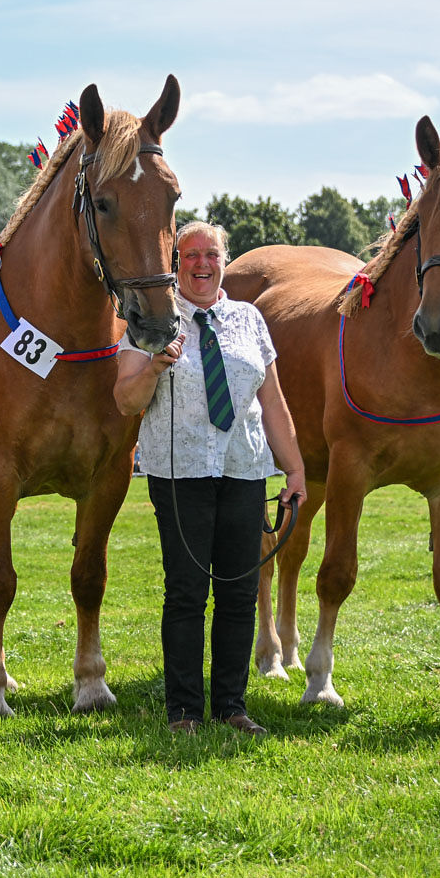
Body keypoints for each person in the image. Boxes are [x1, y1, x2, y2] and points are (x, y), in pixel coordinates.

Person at [114, 221, 307, 736]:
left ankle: (231, 705)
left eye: (212, 254)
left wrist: (295, 467)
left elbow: (272, 400)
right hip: (180, 473)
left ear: (225, 260)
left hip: (243, 468)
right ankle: (182, 711)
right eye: (191, 254)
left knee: (240, 593)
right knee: (186, 592)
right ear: (176, 263)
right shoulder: (150, 318)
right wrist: (152, 368)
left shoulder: (250, 319)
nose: (202, 263)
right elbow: (124, 399)